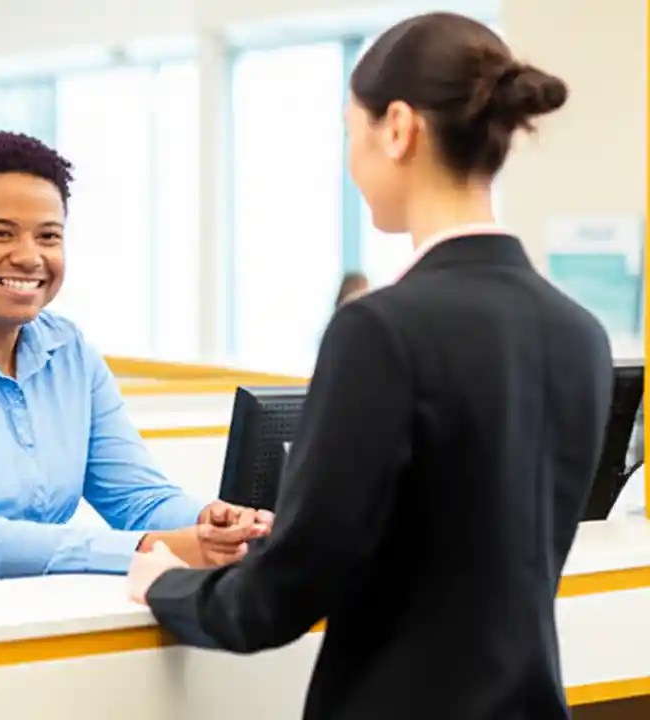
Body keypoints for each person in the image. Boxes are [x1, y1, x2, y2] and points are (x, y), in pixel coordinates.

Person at [129, 12, 612, 720]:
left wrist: (166, 584)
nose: (350, 162)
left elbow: (282, 595)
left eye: (349, 132)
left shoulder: (379, 330)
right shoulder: (580, 332)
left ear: (397, 128)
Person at [0, 131, 271, 589]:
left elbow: (137, 498)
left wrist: (215, 524)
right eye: (0, 233)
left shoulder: (68, 351)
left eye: (48, 236)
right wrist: (146, 548)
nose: (28, 257)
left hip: (42, 622)